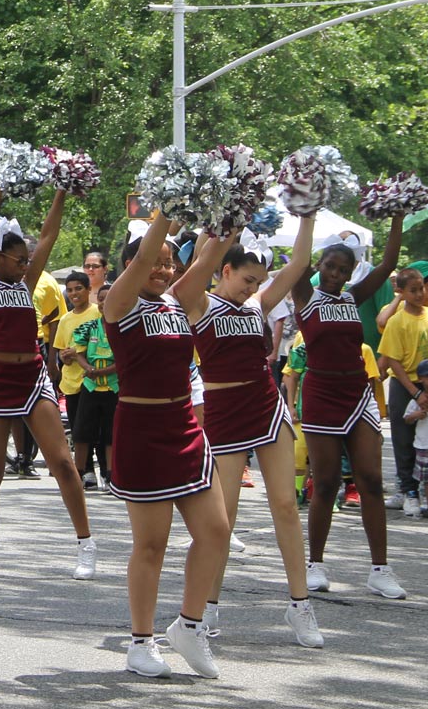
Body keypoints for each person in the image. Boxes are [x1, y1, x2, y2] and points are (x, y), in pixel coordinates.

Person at [180, 220, 323, 648]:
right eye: (246, 279)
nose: (252, 287)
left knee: (284, 504)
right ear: (225, 271)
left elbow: (298, 264)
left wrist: (307, 215)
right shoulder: (197, 304)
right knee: (222, 520)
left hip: (266, 406)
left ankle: (300, 604)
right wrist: (230, 214)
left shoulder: (258, 304)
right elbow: (203, 255)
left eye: (258, 281)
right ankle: (207, 608)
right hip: (223, 415)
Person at [103, 214, 230, 679]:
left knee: (215, 530)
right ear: (131, 263)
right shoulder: (118, 304)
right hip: (141, 427)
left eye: (169, 262)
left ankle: (189, 627)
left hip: (184, 426)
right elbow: (141, 260)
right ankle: (141, 641)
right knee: (151, 544)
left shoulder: (178, 301)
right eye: (153, 262)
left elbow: (213, 251)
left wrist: (232, 208)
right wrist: (163, 211)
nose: (163, 269)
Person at [0, 188, 94, 579]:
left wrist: (61, 191)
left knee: (63, 464)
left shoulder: (25, 282)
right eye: (18, 260)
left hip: (32, 376)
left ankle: (86, 545)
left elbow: (50, 235)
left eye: (27, 261)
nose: (25, 266)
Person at [292, 215, 406, 599]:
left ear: (350, 272)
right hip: (321, 394)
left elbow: (389, 265)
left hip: (357, 395)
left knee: (371, 479)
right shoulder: (305, 297)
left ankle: (380, 569)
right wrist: (305, 214)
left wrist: (398, 215)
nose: (336, 275)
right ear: (319, 266)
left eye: (344, 270)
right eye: (330, 267)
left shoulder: (351, 297)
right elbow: (298, 262)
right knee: (323, 484)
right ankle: (316, 564)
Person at [377, 267, 428, 518]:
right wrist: (415, 393)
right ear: (400, 292)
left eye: (421, 288)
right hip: (406, 384)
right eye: (413, 290)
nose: (420, 294)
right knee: (403, 438)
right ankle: (409, 490)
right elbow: (393, 361)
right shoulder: (397, 321)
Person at [54, 272, 100, 485]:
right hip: (70, 381)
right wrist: (65, 355)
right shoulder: (66, 319)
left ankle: (104, 471)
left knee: (94, 427)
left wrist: (80, 351)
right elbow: (61, 350)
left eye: (78, 289)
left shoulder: (98, 313)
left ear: (89, 289)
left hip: (94, 380)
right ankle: (85, 470)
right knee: (77, 427)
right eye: (70, 290)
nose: (74, 294)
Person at [69, 282, 117, 487]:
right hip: (90, 387)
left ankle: (110, 475)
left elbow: (124, 359)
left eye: (109, 299)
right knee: (81, 433)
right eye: (101, 299)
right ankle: (78, 475)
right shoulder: (89, 327)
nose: (104, 303)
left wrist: (105, 371)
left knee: (110, 435)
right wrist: (88, 368)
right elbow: (78, 352)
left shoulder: (122, 328)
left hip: (114, 388)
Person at [402, 359, 428, 519]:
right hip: (425, 444)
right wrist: (416, 415)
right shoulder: (417, 400)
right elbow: (407, 418)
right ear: (421, 378)